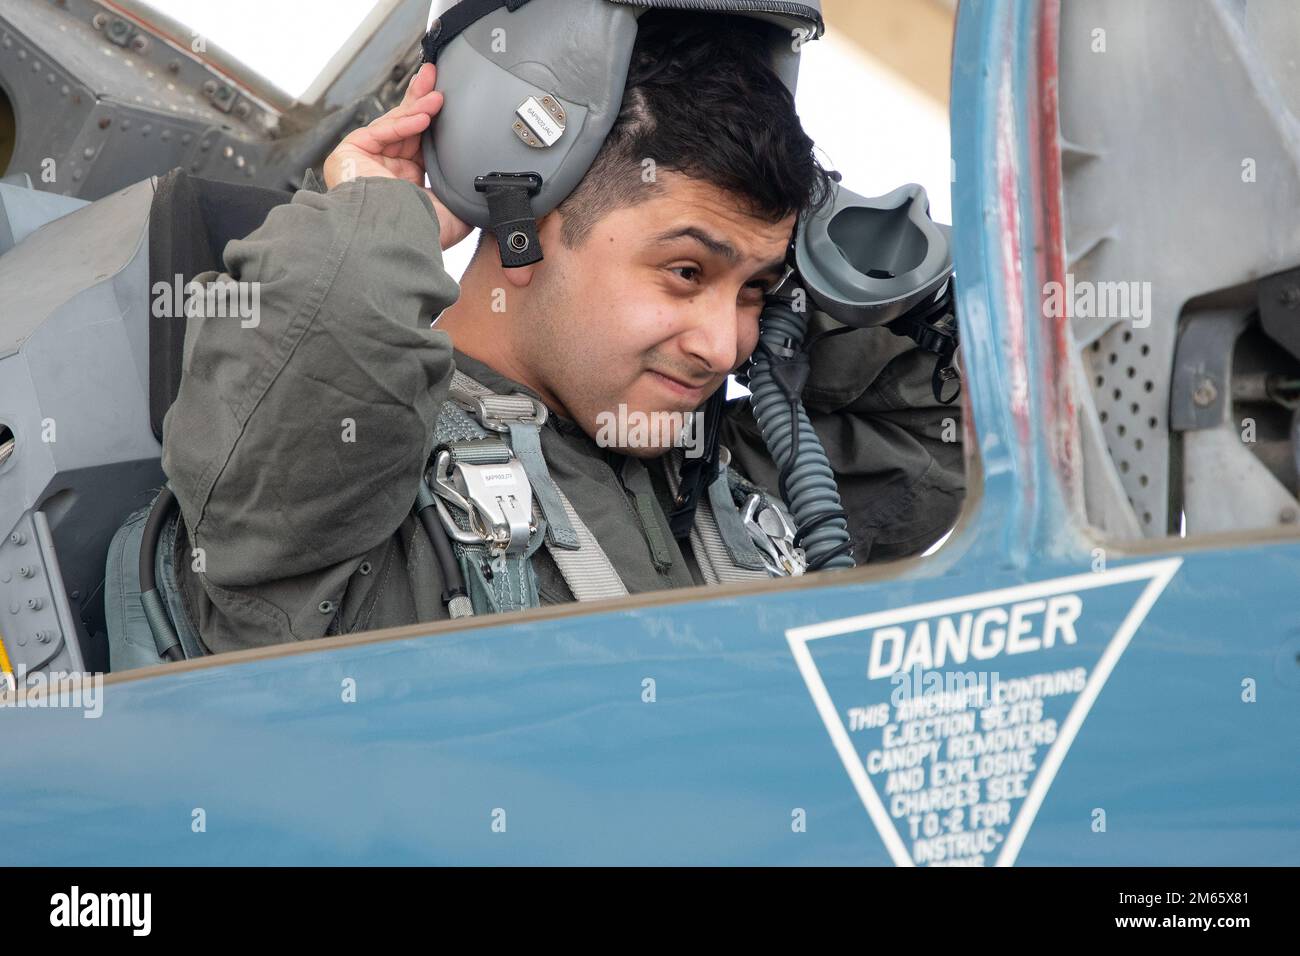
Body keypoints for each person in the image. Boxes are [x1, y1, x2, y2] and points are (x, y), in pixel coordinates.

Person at [159, 13, 965, 653]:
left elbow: (956, 419)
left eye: (755, 289)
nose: (724, 348)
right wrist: (381, 212)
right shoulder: (354, 504)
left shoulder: (729, 473)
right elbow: (322, 342)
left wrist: (837, 277)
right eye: (686, 273)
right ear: (524, 222)